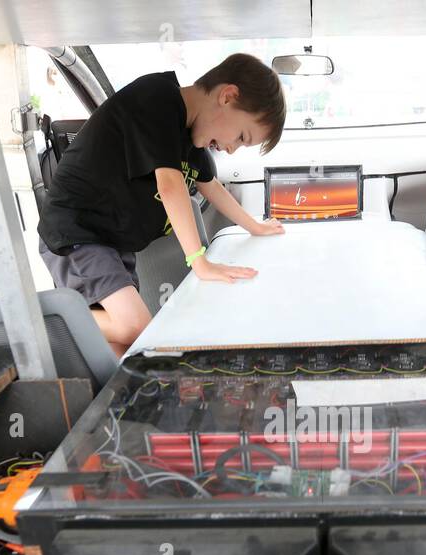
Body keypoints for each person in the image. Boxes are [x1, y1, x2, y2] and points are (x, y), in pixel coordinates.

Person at [38, 53, 287, 358]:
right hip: (76, 232)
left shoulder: (190, 136)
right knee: (134, 326)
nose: (231, 149)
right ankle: (37, 322)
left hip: (114, 246)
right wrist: (199, 261)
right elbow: (170, 187)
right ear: (227, 96)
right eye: (240, 136)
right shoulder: (158, 99)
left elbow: (212, 188)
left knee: (123, 349)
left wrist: (255, 226)